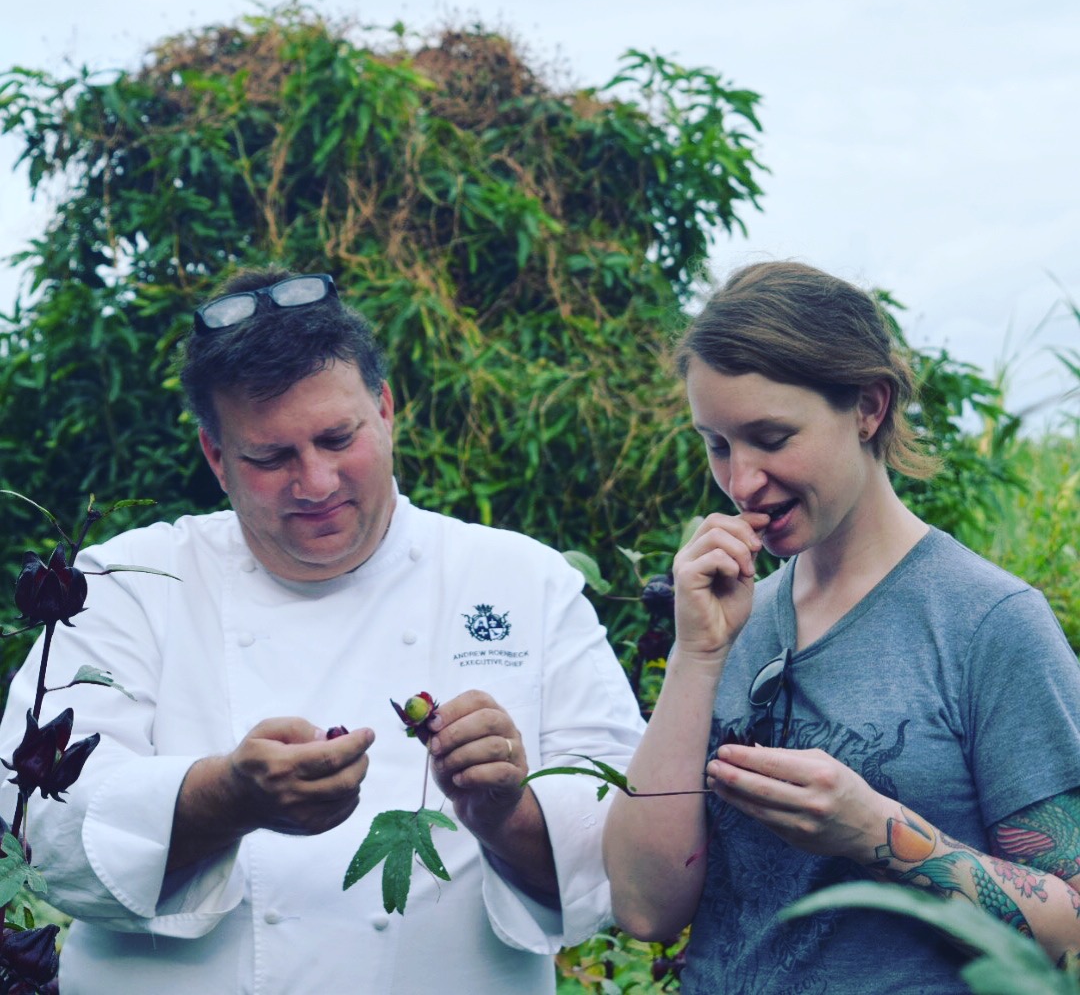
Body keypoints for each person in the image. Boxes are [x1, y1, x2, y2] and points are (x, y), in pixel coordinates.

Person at [0, 268, 645, 995]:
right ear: (217, 458)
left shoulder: (523, 582)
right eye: (271, 457)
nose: (315, 482)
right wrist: (232, 793)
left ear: (387, 410)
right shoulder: (126, 584)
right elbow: (45, 833)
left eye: (338, 438)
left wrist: (503, 811)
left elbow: (622, 854)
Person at [602, 261, 1080, 993]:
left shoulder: (989, 625)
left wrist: (873, 832)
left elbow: (1072, 933)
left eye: (771, 436)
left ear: (868, 407)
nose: (742, 481)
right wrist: (697, 654)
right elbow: (644, 908)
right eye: (718, 444)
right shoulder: (734, 621)